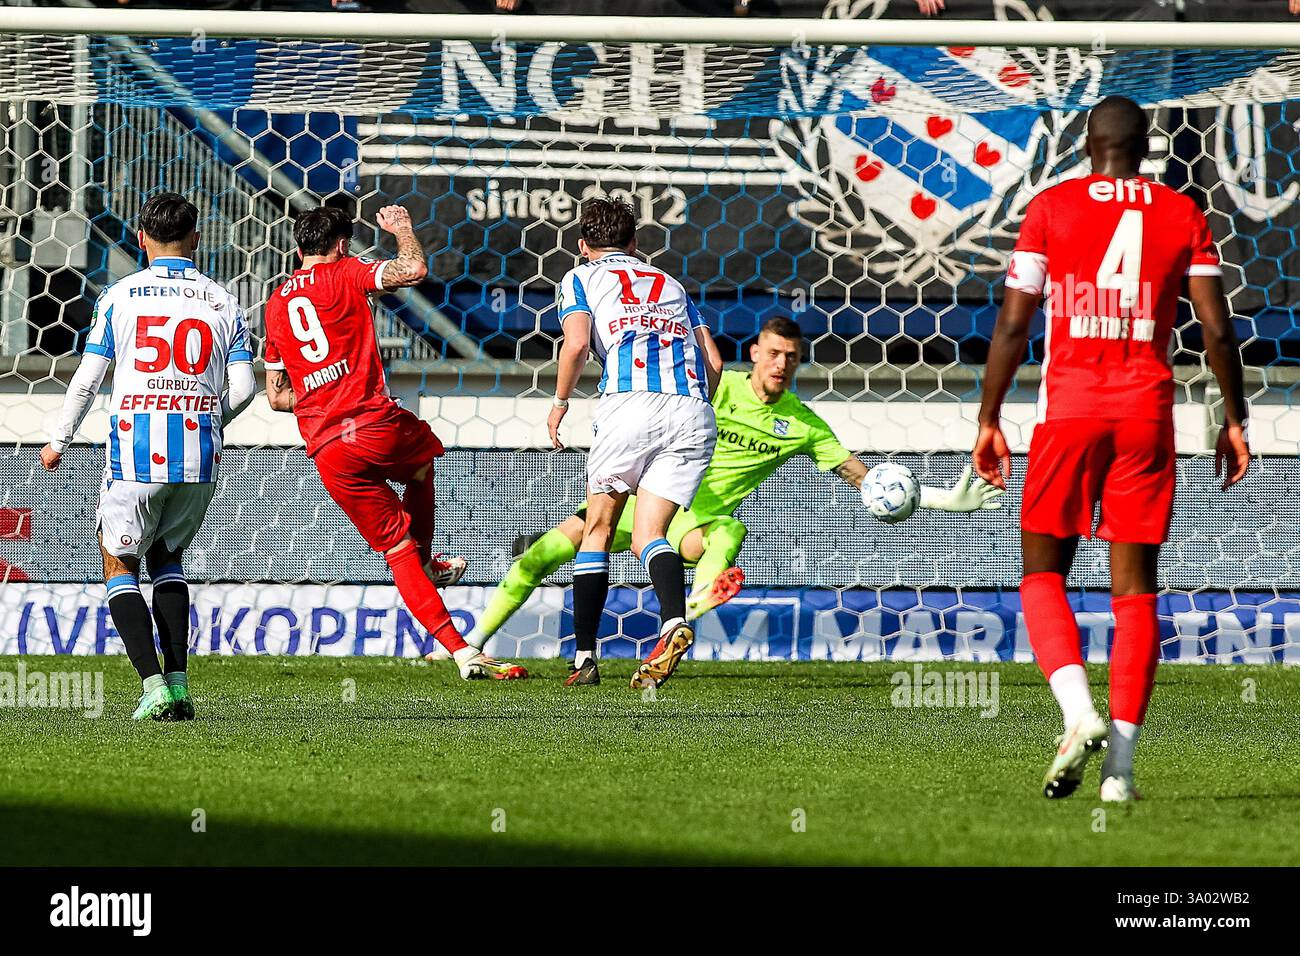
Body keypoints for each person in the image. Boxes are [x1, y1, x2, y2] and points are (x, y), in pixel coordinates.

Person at [435, 316, 1003, 665]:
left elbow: (866, 479)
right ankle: (468, 644)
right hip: (641, 497)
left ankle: (683, 621)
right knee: (542, 554)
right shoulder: (714, 384)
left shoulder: (802, 424)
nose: (782, 365)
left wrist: (941, 499)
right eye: (773, 353)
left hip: (693, 526)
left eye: (792, 358)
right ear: (754, 352)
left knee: (730, 530)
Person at [973, 96, 1251, 802]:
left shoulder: (1052, 206)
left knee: (1042, 574)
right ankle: (1120, 776)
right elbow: (1217, 332)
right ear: (1147, 145)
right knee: (1135, 592)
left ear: (1088, 143)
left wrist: (988, 418)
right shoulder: (1181, 212)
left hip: (1069, 412)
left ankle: (1076, 715)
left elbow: (1012, 324)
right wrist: (1234, 419)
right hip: (1145, 415)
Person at [263, 203, 526, 680]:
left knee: (394, 550)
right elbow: (414, 269)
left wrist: (319, 392)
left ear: (298, 246)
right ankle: (428, 561)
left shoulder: (277, 302)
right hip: (372, 423)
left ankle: (461, 652)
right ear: (341, 244)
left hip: (326, 446)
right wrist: (402, 229)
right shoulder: (346, 272)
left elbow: (278, 398)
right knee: (424, 462)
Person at [41, 192, 257, 720]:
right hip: (199, 456)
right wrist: (208, 422)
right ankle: (181, 685)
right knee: (168, 559)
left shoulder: (120, 296)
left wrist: (59, 440)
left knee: (118, 560)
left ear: (140, 238)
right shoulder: (222, 300)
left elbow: (90, 378)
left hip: (136, 454)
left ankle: (154, 687)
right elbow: (246, 386)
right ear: (197, 238)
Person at [547, 197, 723, 689]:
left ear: (583, 246)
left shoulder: (579, 278)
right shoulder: (671, 283)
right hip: (691, 410)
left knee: (599, 528)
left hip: (629, 406)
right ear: (636, 244)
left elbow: (578, 343)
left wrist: (560, 402)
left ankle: (584, 659)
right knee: (649, 536)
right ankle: (672, 621)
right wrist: (691, 404)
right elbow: (714, 361)